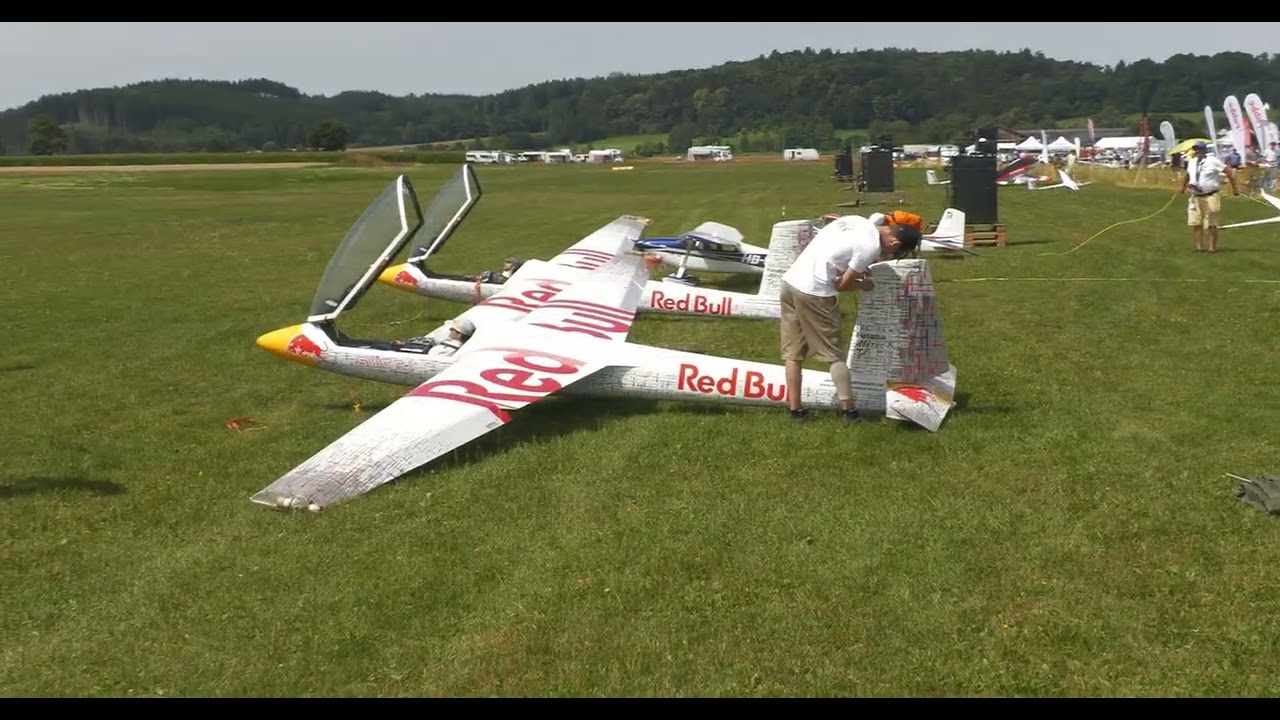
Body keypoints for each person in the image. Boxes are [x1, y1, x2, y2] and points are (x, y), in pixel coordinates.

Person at [778, 215, 921, 423]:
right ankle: (849, 411)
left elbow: (833, 252)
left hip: (789, 282)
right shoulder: (870, 247)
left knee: (793, 353)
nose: (889, 254)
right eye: (894, 251)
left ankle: (796, 410)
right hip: (813, 291)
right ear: (894, 242)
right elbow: (842, 286)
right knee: (833, 354)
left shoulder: (858, 221)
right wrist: (864, 285)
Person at [1179, 140, 1239, 253]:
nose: (1197, 151)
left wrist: (1235, 188)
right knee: (1196, 222)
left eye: (1199, 149)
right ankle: (1199, 247)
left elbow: (1228, 171)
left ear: (1204, 150)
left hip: (1210, 195)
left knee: (1211, 223)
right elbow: (1188, 175)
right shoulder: (1191, 162)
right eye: (1195, 149)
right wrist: (1182, 187)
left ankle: (1212, 248)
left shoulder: (1213, 161)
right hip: (1195, 196)